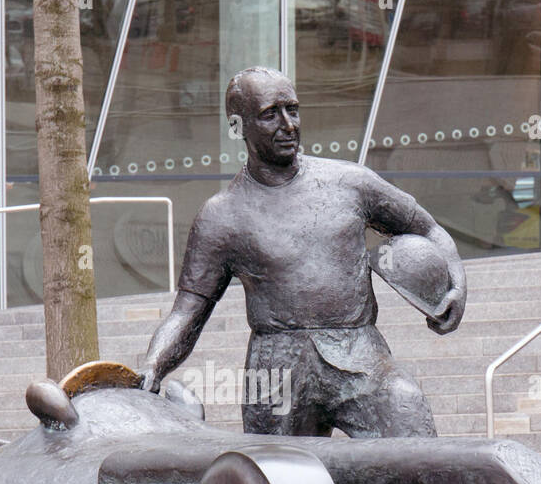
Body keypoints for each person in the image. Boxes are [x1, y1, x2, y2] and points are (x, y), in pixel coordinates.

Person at [139, 66, 466, 437]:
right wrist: (153, 366)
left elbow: (427, 227)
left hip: (358, 351)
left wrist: (456, 283)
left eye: (292, 109)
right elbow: (187, 311)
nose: (288, 125)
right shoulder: (221, 216)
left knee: (408, 419)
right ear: (237, 127)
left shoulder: (350, 183)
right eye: (269, 114)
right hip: (275, 366)